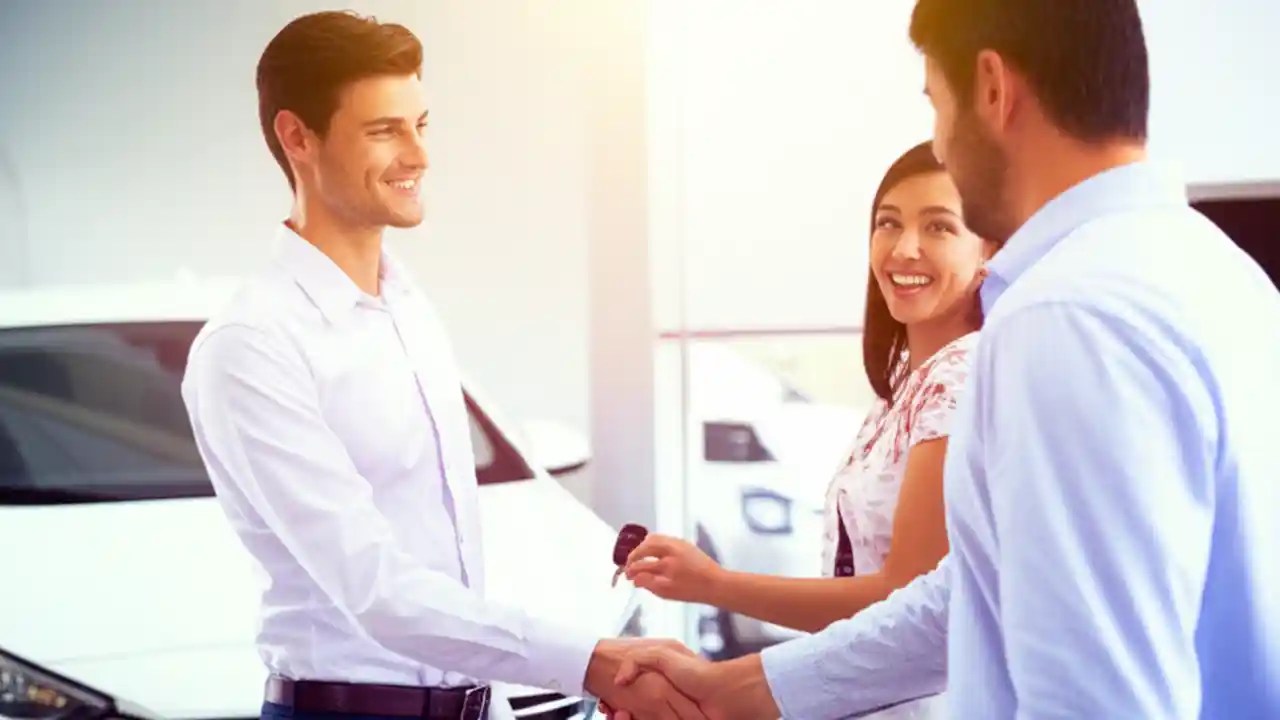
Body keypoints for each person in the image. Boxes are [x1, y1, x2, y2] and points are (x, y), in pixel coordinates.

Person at [609, 1, 1280, 718]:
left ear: (991, 88)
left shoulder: (1066, 315)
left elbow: (1093, 699)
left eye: (935, 103)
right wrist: (740, 691)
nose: (941, 145)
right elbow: (971, 594)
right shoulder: (1224, 275)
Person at [181, 12, 702, 720]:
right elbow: (377, 588)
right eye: (383, 130)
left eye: (421, 124)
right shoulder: (250, 345)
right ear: (297, 136)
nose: (417, 154)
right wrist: (596, 662)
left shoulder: (408, 307)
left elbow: (449, 563)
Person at [620, 142, 995, 718]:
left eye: (939, 227)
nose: (903, 248)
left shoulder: (961, 377)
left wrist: (716, 584)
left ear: (988, 251)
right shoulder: (905, 382)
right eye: (887, 223)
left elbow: (902, 602)